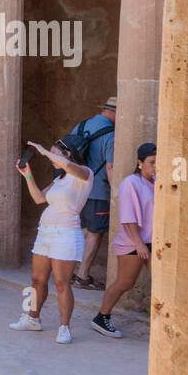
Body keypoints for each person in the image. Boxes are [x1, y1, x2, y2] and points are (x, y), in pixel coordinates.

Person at [10, 138, 94, 344]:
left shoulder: (84, 174)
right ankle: (32, 318)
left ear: (67, 154)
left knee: (61, 283)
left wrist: (44, 150)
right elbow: (39, 198)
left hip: (66, 234)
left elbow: (69, 166)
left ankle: (64, 327)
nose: (51, 159)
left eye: (56, 154)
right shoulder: (59, 180)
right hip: (45, 233)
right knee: (36, 279)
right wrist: (27, 175)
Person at [92, 142, 157, 338]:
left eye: (159, 162)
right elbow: (128, 217)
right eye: (152, 162)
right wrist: (138, 244)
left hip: (154, 242)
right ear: (140, 163)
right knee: (125, 282)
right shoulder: (131, 183)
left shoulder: (156, 182)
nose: (156, 166)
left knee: (162, 284)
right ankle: (101, 318)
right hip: (133, 242)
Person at [72, 97, 117, 290]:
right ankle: (82, 276)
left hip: (76, 189)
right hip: (98, 191)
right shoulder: (111, 134)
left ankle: (70, 270)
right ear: (115, 113)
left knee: (82, 230)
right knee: (94, 233)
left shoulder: (81, 126)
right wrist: (117, 193)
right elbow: (111, 166)